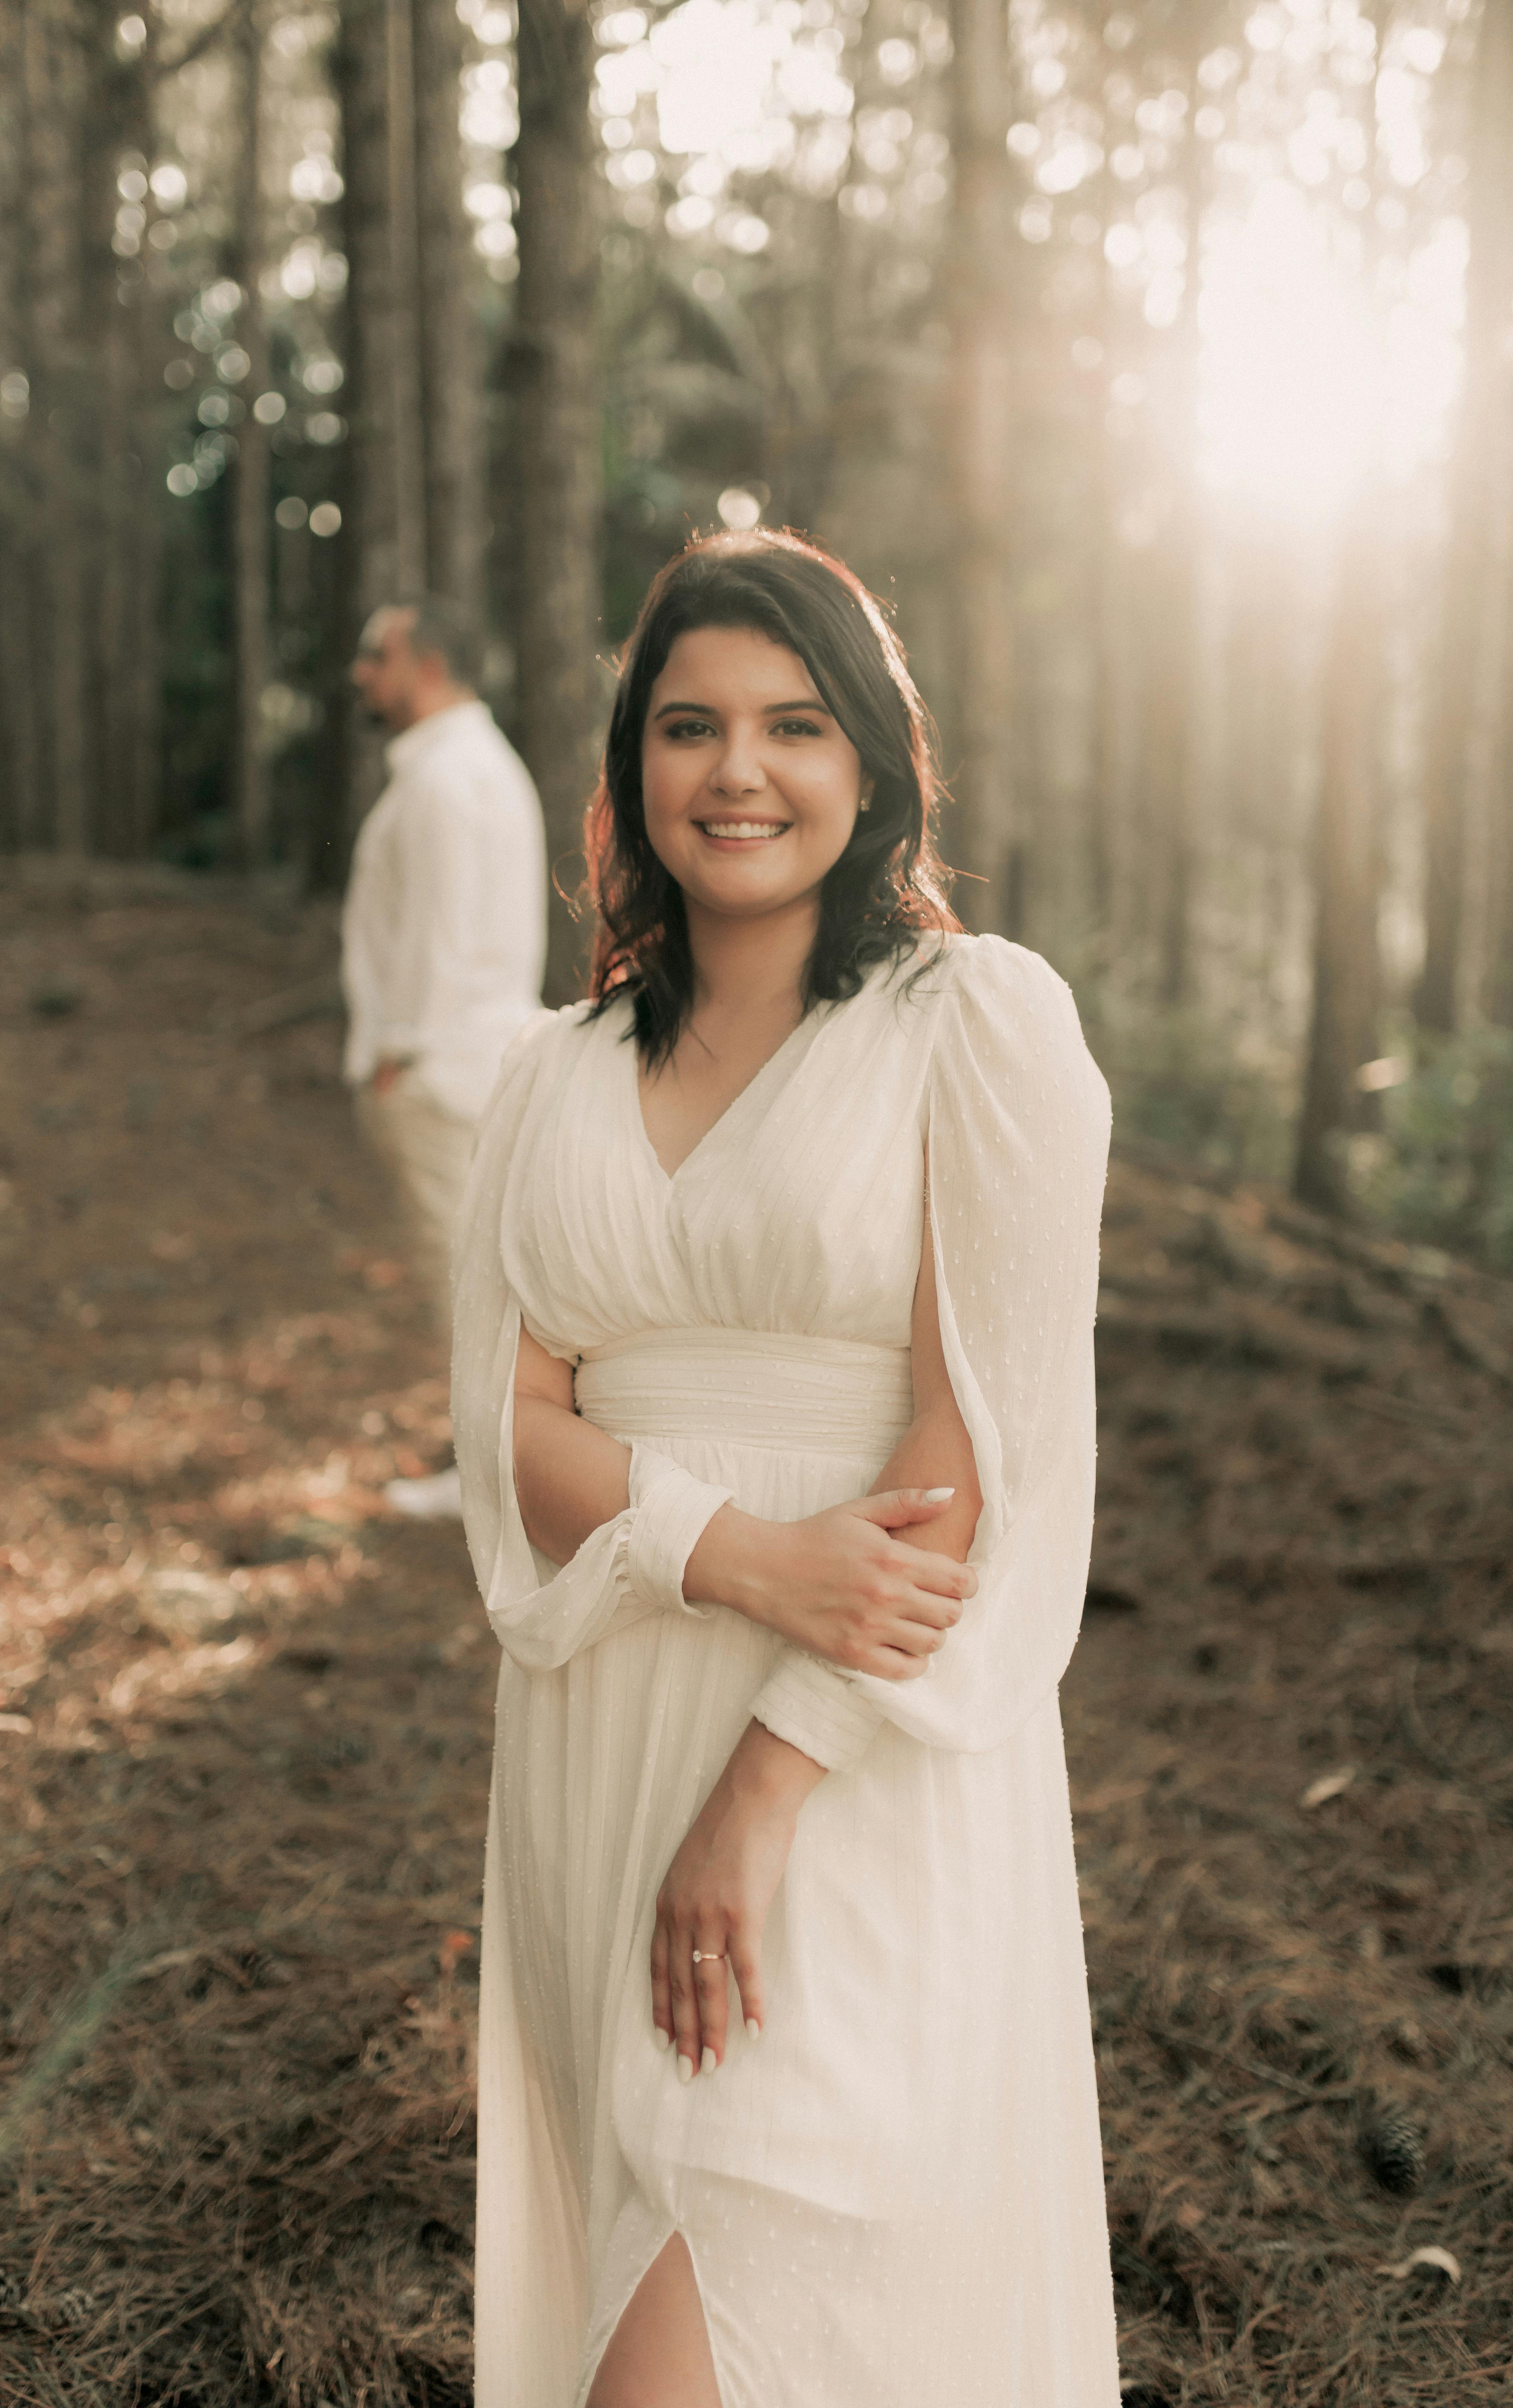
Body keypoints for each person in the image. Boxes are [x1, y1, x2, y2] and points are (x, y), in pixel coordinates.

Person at [452, 531, 1118, 2407]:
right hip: (611, 1707)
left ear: (872, 761)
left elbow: (969, 1434)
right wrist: (734, 1549)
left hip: (851, 1738)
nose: (737, 770)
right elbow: (507, 1418)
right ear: (631, 770)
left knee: (775, 2281)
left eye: (792, 724)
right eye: (688, 726)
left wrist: (761, 1791)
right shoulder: (549, 1072)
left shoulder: (970, 1023)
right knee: (645, 2286)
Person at [343, 595, 547, 1519]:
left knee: (471, 1286)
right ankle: (497, 1467)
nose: (361, 673)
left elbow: (442, 931)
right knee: (479, 1279)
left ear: (424, 667)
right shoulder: (467, 766)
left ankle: (495, 1482)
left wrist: (400, 1052)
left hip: (443, 1067)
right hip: (463, 1061)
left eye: (375, 656)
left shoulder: (446, 778)